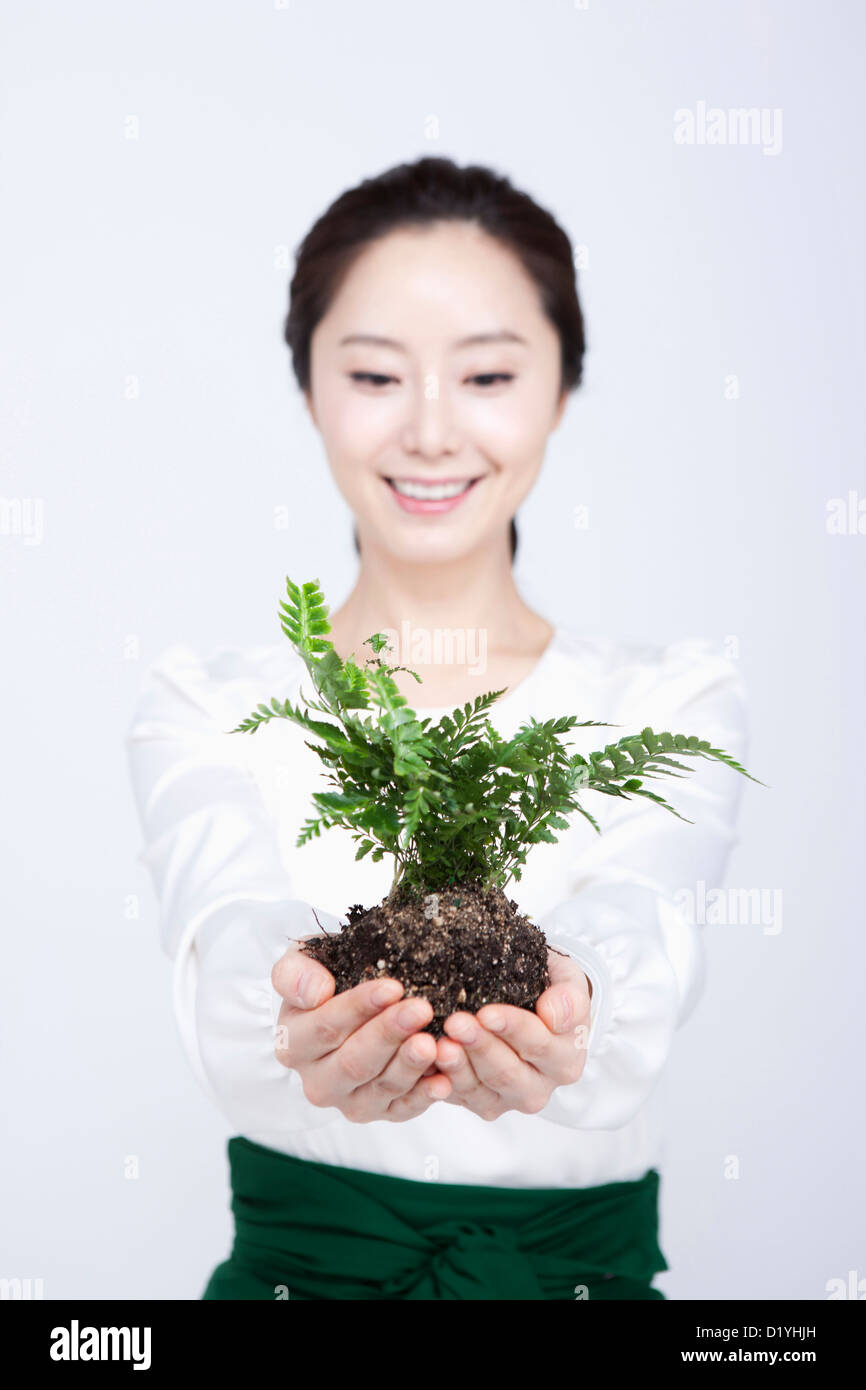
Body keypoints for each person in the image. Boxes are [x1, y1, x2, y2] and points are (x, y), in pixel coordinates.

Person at [125, 156, 750, 1300]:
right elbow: (230, 924)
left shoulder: (674, 699)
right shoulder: (206, 704)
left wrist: (577, 999)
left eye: (485, 375)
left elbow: (641, 924)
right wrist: (296, 1000)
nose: (426, 431)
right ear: (308, 386)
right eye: (373, 374)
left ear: (561, 387)